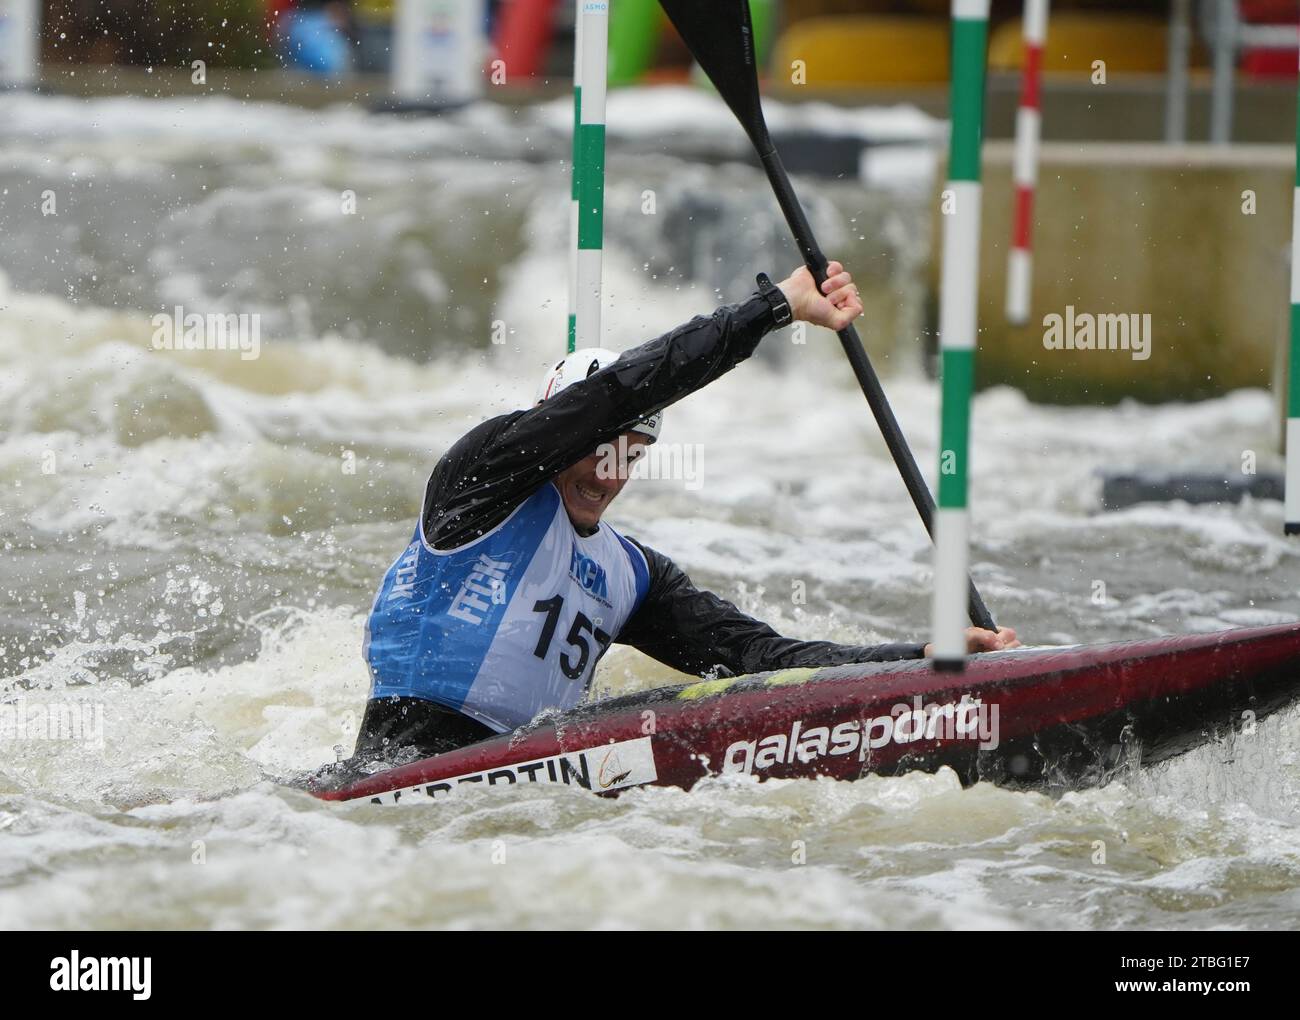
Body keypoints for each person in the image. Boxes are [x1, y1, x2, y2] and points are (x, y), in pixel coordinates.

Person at [352, 262, 1018, 765]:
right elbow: (628, 387)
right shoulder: (480, 483)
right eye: (598, 447)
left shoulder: (631, 575)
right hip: (397, 766)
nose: (609, 472)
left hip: (520, 778)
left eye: (632, 456)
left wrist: (917, 660)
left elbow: (760, 656)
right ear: (553, 433)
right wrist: (775, 307)